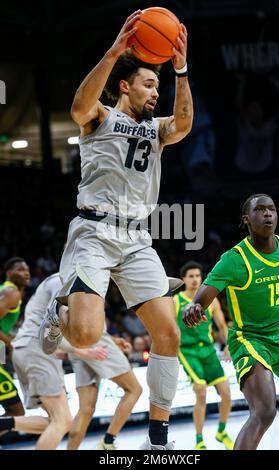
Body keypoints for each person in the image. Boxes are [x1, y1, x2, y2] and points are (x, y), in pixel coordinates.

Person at [39, 9, 192, 450]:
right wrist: (114, 52)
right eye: (150, 83)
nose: (156, 92)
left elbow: (183, 123)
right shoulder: (101, 118)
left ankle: (158, 439)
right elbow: (78, 107)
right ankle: (58, 311)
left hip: (137, 237)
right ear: (125, 85)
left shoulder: (157, 129)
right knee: (85, 335)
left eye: (158, 86)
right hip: (94, 232)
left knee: (169, 333)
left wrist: (179, 70)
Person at [183, 194, 279, 450]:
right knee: (265, 411)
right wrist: (193, 307)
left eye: (272, 209)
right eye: (260, 210)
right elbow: (202, 297)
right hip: (250, 340)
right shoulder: (234, 259)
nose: (268, 214)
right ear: (246, 219)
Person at [0, 272, 108, 449]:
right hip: (37, 351)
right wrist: (81, 350)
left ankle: (4, 424)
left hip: (28, 350)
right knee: (62, 422)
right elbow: (52, 326)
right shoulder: (64, 282)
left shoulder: (56, 282)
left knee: (56, 421)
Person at [174, 261, 233, 450]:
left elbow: (223, 327)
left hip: (208, 349)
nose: (194, 279)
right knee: (200, 390)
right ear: (183, 279)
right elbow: (169, 328)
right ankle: (199, 441)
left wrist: (228, 345)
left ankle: (221, 431)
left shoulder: (211, 300)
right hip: (187, 350)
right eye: (190, 276)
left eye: (197, 276)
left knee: (226, 393)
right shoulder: (176, 301)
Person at [66, 331, 142, 450]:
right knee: (134, 389)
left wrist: (112, 338)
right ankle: (107, 443)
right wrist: (108, 339)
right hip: (95, 342)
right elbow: (89, 320)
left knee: (86, 409)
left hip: (75, 344)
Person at [0, 257, 30, 419]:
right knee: (16, 411)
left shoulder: (9, 291)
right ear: (9, 273)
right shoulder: (12, 292)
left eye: (27, 270)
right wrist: (11, 344)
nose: (26, 273)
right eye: (20, 270)